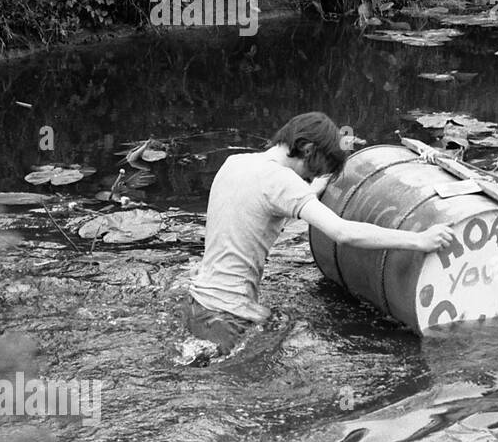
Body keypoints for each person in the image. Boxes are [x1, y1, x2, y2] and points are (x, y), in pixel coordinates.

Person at [187, 112, 454, 354]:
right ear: (307, 148)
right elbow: (343, 232)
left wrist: (314, 185)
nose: (309, 180)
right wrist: (419, 239)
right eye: (312, 172)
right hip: (230, 317)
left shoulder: (235, 163)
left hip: (199, 305)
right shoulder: (282, 181)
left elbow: (271, 200)